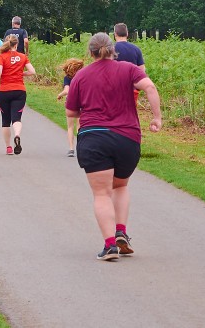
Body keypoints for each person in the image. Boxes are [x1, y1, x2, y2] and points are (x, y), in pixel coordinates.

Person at [66, 32, 162, 261]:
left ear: (90, 52)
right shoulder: (129, 69)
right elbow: (149, 87)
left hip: (93, 137)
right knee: (120, 186)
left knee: (101, 193)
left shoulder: (81, 76)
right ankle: (121, 233)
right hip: (127, 138)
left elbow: (71, 112)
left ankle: (110, 245)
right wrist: (157, 117)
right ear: (113, 50)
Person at [0, 34, 36, 155]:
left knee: (5, 120)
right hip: (19, 90)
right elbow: (32, 71)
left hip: (4, 90)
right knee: (17, 118)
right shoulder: (23, 57)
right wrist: (21, 73)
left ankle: (8, 147)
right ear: (17, 44)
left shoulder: (2, 56)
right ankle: (17, 135)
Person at [55, 58, 86, 157]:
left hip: (71, 102)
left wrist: (60, 95)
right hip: (82, 101)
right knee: (80, 126)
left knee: (70, 126)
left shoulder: (67, 78)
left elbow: (67, 90)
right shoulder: (83, 76)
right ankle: (81, 148)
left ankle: (71, 149)